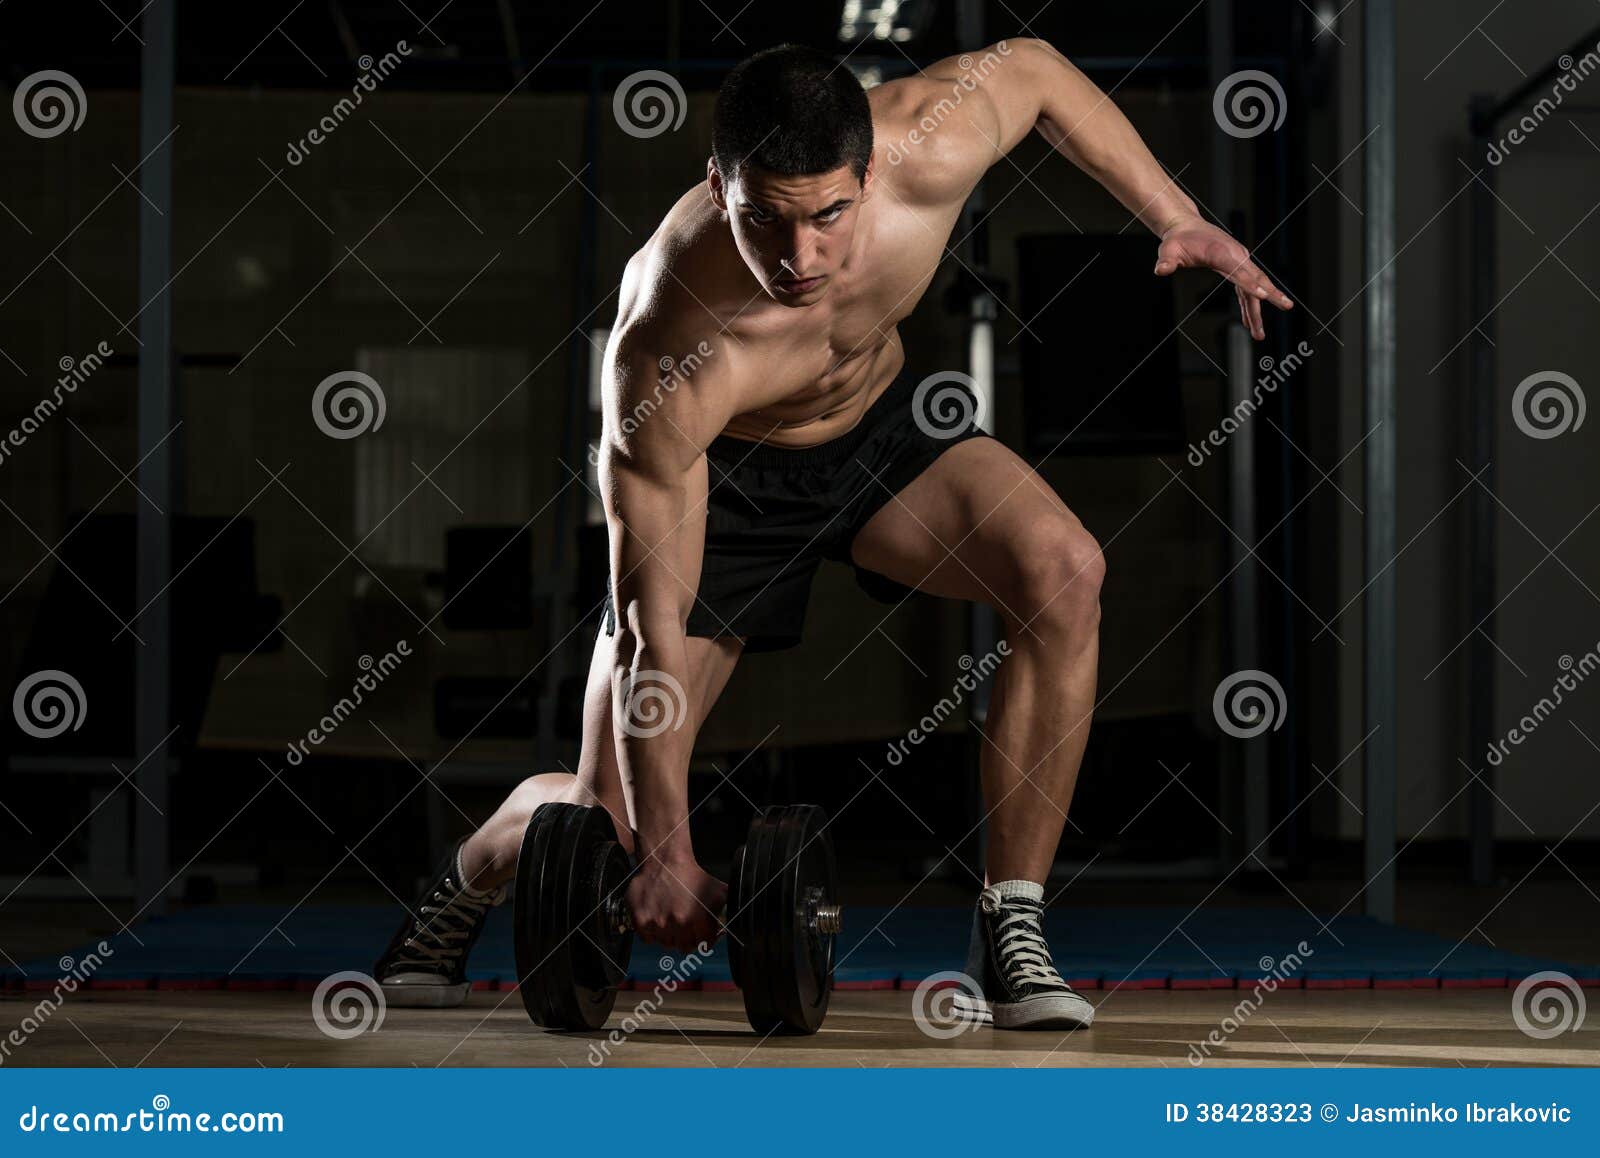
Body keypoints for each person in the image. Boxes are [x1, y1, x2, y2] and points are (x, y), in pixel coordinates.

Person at [374, 40, 1290, 1028]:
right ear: (715, 181)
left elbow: (1039, 71)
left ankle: (1011, 923)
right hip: (720, 485)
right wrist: (669, 854)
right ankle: (463, 885)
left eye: (827, 216)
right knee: (609, 816)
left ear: (869, 173)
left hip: (878, 439)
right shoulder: (666, 343)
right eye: (762, 218)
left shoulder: (927, 147)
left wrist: (1177, 217)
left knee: (1063, 568)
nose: (798, 258)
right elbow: (648, 625)